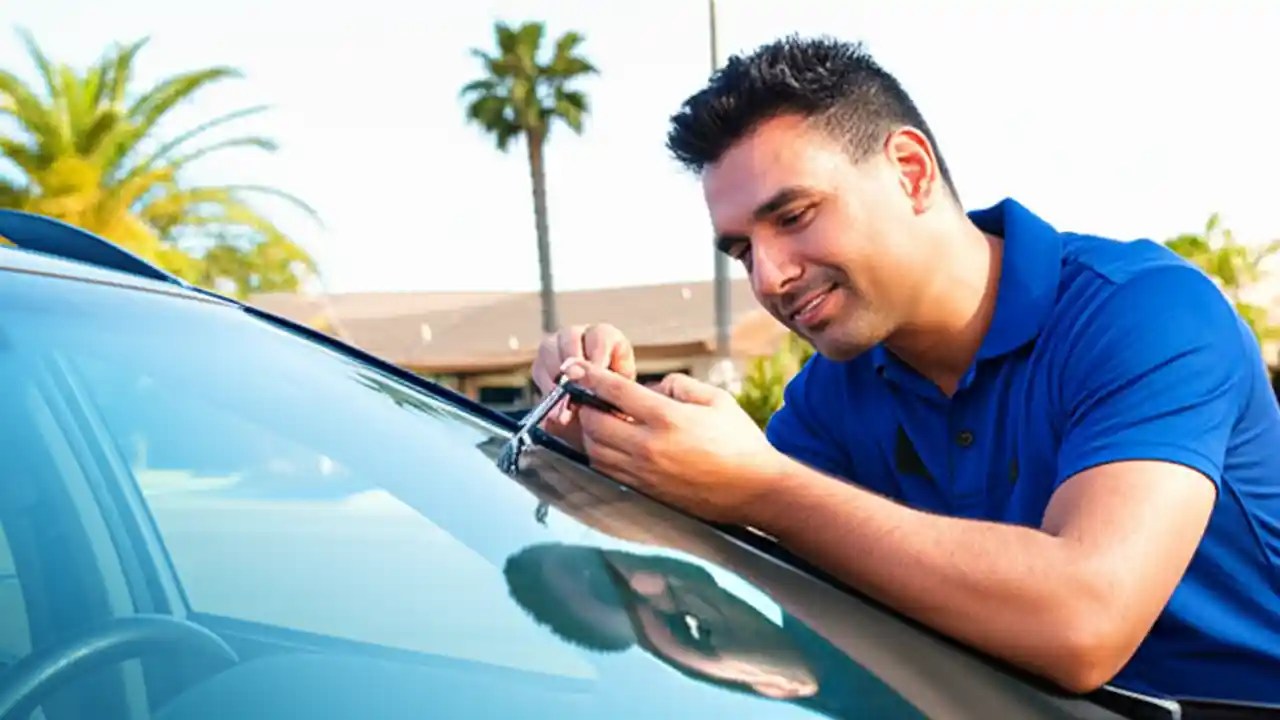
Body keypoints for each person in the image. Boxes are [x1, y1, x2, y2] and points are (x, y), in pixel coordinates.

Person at [529, 35, 1280, 705]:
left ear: (911, 172)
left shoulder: (1145, 313)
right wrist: (602, 438)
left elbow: (1084, 622)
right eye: (741, 250)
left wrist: (762, 485)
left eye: (792, 217)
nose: (769, 276)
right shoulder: (833, 395)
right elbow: (759, 571)